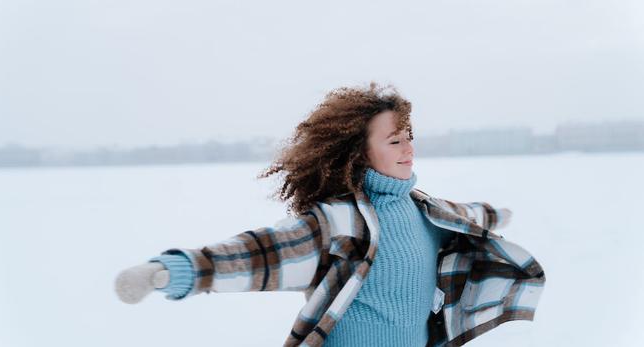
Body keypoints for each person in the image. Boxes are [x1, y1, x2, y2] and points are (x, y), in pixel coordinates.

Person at [114, 82, 545, 347]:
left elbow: (467, 217)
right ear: (358, 152)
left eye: (410, 137)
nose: (410, 149)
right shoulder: (340, 224)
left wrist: (496, 215)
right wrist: (171, 271)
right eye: (395, 141)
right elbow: (259, 254)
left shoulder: (426, 213)